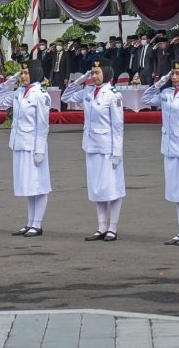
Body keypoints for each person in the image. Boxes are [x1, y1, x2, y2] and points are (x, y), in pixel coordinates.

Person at [141, 61, 179, 246]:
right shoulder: (167, 93)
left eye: (177, 73)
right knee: (177, 192)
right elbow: (145, 98)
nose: (174, 77)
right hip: (170, 149)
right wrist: (161, 81)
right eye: (172, 74)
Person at [62, 59, 124, 242]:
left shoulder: (113, 95)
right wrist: (82, 79)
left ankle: (112, 228)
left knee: (112, 188)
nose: (94, 76)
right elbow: (66, 97)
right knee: (97, 189)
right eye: (93, 73)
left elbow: (118, 126)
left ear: (106, 72)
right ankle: (101, 227)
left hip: (108, 148)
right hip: (91, 146)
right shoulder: (88, 92)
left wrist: (117, 152)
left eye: (97, 72)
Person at [0, 60, 51, 237]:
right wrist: (12, 80)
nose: (23, 76)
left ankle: (37, 223)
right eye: (22, 73)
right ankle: (29, 222)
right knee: (28, 184)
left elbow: (43, 124)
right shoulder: (19, 92)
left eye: (26, 73)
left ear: (34, 73)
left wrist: (40, 149)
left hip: (33, 145)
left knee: (38, 184)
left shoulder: (41, 95)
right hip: (19, 143)